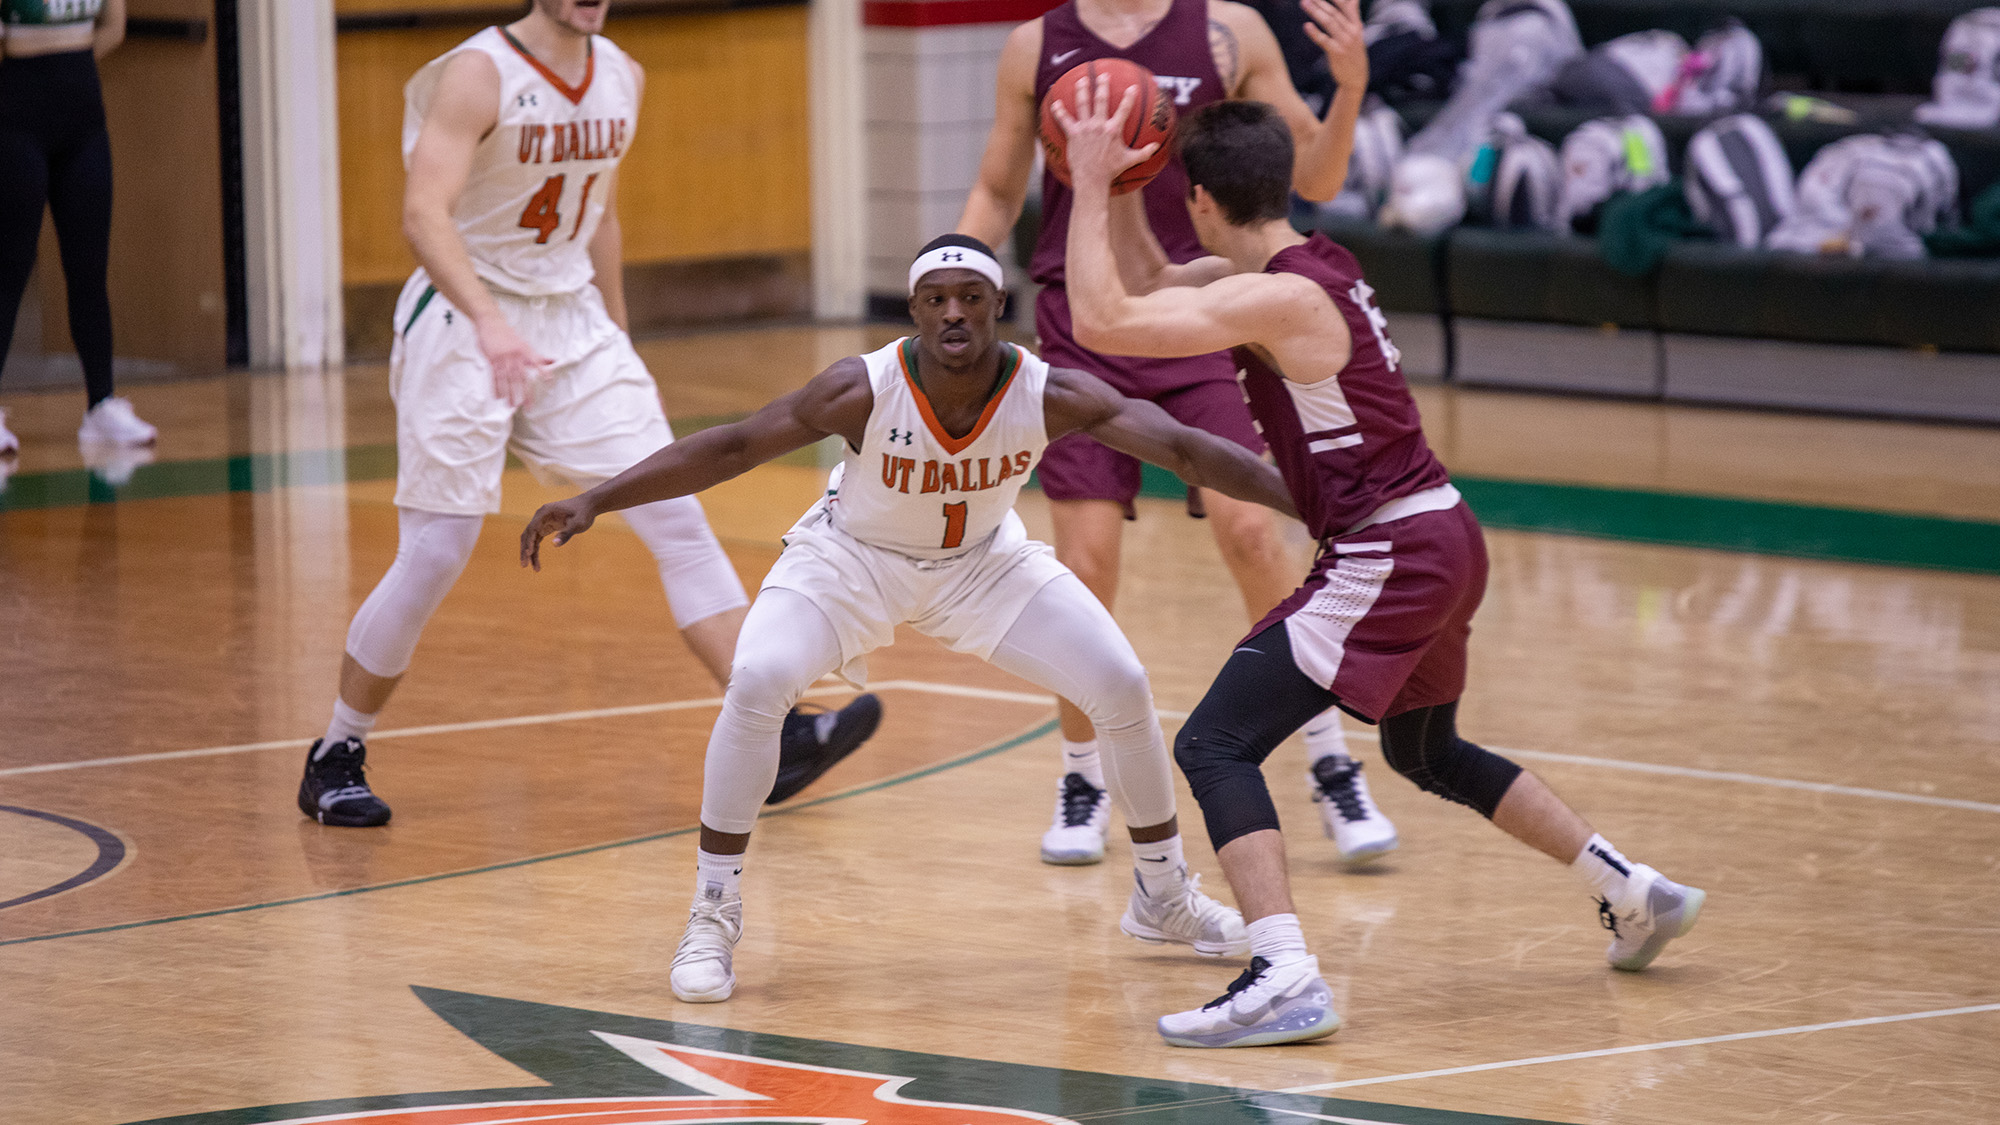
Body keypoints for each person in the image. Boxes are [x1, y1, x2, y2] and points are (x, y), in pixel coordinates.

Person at [1056, 87, 1706, 1048]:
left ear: (1201, 198)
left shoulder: (1280, 295)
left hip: (1390, 550)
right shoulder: (1313, 265)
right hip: (1441, 530)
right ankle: (1630, 887)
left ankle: (1282, 972)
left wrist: (1076, 180)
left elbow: (1103, 321)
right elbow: (1148, 286)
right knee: (1425, 750)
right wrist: (1117, 186)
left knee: (1214, 744)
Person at [520, 234, 1306, 1004]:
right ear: (915, 312)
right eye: (937, 300)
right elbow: (731, 447)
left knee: (1122, 681)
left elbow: (1185, 448)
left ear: (999, 305)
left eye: (971, 298)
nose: (954, 313)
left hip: (983, 564)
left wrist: (1310, 500)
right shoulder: (859, 388)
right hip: (850, 561)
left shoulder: (1048, 391)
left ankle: (1162, 895)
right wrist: (596, 498)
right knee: (757, 678)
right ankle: (712, 913)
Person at [297, 0, 876, 829]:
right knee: (436, 550)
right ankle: (336, 752)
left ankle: (778, 732)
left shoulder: (622, 75)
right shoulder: (477, 73)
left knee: (676, 511)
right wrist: (491, 324)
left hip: (571, 319)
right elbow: (424, 213)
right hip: (466, 320)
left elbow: (599, 213)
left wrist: (621, 338)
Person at [957, 0, 1398, 867]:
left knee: (1251, 531)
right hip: (1081, 318)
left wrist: (1349, 89)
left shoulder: (1230, 32)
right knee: (1082, 563)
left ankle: (1332, 763)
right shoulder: (1033, 46)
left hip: (1199, 310)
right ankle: (1081, 776)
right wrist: (951, 275)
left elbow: (1316, 176)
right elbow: (999, 189)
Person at [0, 0, 158, 464]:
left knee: (89, 268)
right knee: (9, 269)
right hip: (18, 120)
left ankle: (102, 403)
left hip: (84, 120)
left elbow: (113, 26)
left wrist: (71, 62)